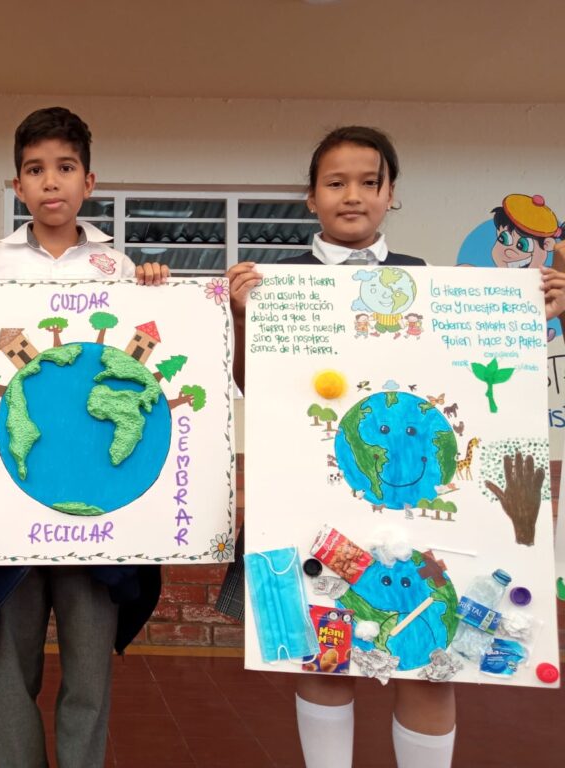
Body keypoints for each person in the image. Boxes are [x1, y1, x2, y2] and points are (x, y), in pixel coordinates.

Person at [221, 125, 565, 768]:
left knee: (430, 659)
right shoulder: (274, 285)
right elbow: (249, 385)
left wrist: (540, 310)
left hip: (425, 514)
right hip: (315, 505)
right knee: (325, 656)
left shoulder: (434, 284)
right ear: (311, 197)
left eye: (369, 182)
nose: (353, 195)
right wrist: (242, 318)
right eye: (336, 182)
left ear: (391, 194)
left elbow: (487, 368)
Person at [0, 106, 168, 768]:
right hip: (11, 498)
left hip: (102, 501)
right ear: (17, 187)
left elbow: (149, 343)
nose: (51, 182)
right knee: (12, 673)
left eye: (64, 168)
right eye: (35, 170)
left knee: (89, 677)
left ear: (89, 181)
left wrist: (155, 291)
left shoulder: (117, 268)